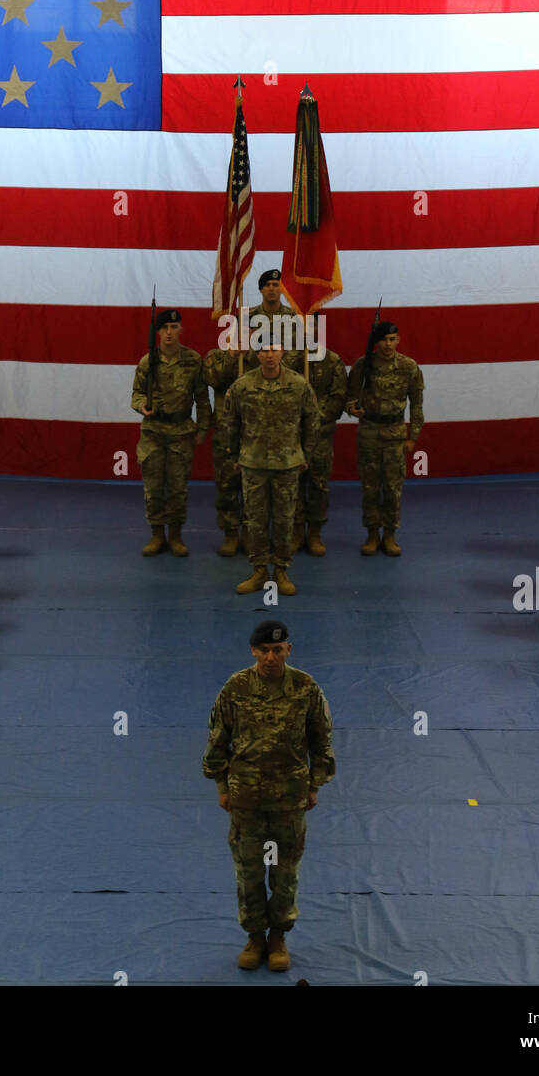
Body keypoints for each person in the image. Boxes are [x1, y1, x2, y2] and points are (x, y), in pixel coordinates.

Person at [202, 619, 335, 972]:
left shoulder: (306, 688)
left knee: (284, 872)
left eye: (278, 650)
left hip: (290, 800)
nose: (270, 657)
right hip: (245, 797)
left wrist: (314, 785)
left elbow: (322, 739)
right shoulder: (237, 687)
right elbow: (218, 737)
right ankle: (254, 937)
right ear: (253, 651)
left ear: (288, 650)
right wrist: (220, 786)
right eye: (264, 650)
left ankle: (278, 937)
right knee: (249, 872)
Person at [224, 341, 319, 595]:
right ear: (256, 353)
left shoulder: (298, 384)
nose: (269, 355)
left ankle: (281, 569)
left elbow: (311, 422)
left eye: (274, 349)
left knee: (284, 520)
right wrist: (234, 454)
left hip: (287, 464)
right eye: (264, 350)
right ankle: (258, 570)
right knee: (255, 520)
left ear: (283, 352)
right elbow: (231, 422)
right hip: (253, 463)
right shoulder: (243, 385)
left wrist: (305, 455)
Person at [131, 308, 210, 556]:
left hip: (181, 431)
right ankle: (157, 535)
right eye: (164, 328)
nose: (168, 333)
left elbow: (202, 398)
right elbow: (136, 393)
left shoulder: (193, 360)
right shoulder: (148, 361)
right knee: (153, 488)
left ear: (180, 330)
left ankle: (175, 536)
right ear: (158, 332)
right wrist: (141, 406)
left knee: (177, 488)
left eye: (174, 328)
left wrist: (204, 427)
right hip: (153, 431)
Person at [344, 320, 424, 556]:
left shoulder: (409, 366)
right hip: (369, 431)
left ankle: (389, 535)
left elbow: (417, 405)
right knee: (370, 488)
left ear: (398, 340)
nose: (388, 344)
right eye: (383, 340)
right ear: (376, 342)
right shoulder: (363, 364)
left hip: (395, 434)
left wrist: (413, 437)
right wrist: (352, 408)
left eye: (392, 339)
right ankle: (371, 534)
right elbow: (350, 396)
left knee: (392, 488)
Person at [283, 340, 347, 556]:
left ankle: (315, 533)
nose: (309, 331)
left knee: (318, 483)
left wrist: (313, 419)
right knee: (294, 483)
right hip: (293, 434)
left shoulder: (332, 361)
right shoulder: (287, 359)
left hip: (320, 434)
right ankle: (297, 531)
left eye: (313, 325)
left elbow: (338, 397)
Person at [202, 343, 257, 556]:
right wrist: (233, 356)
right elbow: (215, 379)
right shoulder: (215, 356)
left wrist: (249, 355)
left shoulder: (262, 355)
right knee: (227, 485)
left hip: (254, 434)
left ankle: (251, 533)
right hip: (226, 434)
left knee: (254, 488)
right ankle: (231, 533)